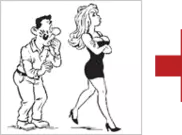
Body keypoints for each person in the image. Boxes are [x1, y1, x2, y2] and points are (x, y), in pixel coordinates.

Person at [67, 3, 120, 132]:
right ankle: (110, 122)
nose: (98, 17)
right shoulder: (86, 36)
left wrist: (105, 47)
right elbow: (96, 51)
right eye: (94, 15)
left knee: (90, 90)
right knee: (102, 92)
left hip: (99, 66)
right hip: (92, 68)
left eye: (97, 14)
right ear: (88, 19)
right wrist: (104, 46)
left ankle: (74, 110)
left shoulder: (99, 33)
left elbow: (108, 49)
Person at [13, 15, 62, 130]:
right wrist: (43, 69)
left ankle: (36, 119)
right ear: (35, 31)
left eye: (50, 32)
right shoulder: (26, 49)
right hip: (23, 77)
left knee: (41, 97)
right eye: (44, 33)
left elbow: (56, 63)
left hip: (37, 78)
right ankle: (22, 121)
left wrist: (57, 51)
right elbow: (29, 72)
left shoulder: (47, 48)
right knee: (29, 100)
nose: (48, 36)